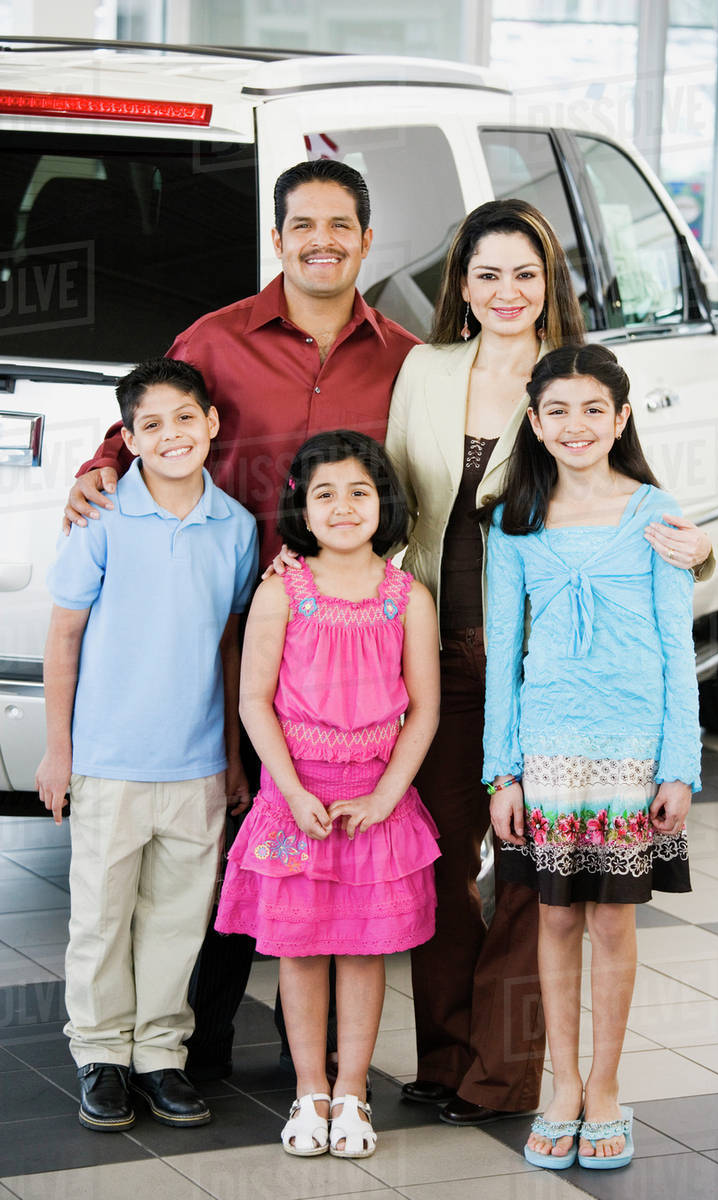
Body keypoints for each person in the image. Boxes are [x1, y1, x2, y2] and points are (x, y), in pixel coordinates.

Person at [62, 158, 420, 1081]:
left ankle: (327, 1066)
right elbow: (143, 424)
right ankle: (189, 1050)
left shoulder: (405, 358)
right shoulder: (216, 340)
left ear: (366, 239)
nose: (321, 242)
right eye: (303, 225)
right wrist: (96, 470)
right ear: (278, 238)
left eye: (339, 226)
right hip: (226, 636)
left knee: (331, 842)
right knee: (229, 842)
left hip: (344, 649)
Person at [384, 199, 713, 1125]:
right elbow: (387, 496)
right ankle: (447, 1055)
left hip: (544, 670)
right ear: (461, 284)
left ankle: (507, 1071)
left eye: (525, 274)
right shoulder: (425, 369)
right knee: (441, 864)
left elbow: (639, 510)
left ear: (549, 283)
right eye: (487, 273)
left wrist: (703, 555)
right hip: (434, 649)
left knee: (536, 883)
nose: (507, 291)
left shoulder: (574, 378)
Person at [482, 343, 701, 1170]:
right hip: (549, 748)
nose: (576, 426)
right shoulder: (514, 521)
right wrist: (501, 770)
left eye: (593, 410)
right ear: (535, 424)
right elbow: (504, 655)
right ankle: (562, 1085)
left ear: (622, 417)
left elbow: (676, 647)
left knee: (612, 917)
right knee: (554, 915)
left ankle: (605, 1087)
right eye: (558, 412)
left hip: (631, 748)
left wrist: (679, 765)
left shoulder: (657, 514)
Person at [34, 358, 258, 1132]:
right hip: (109, 761)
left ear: (212, 424)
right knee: (102, 917)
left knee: (177, 919)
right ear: (127, 439)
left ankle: (161, 1056)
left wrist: (232, 757)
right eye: (151, 425)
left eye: (185, 418)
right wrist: (58, 752)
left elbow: (229, 646)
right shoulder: (100, 519)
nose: (172, 435)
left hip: (197, 765)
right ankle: (101, 1055)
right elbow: (64, 636)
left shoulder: (237, 527)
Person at [214, 431, 440, 1158]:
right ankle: (309, 1089)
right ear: (301, 509)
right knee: (302, 951)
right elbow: (254, 701)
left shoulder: (408, 598)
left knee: (366, 950)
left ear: (384, 503)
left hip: (375, 804)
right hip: (297, 801)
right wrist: (288, 788)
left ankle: (353, 1091)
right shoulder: (281, 592)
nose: (343, 507)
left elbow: (425, 711)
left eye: (359, 492)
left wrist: (386, 797)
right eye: (325, 494)